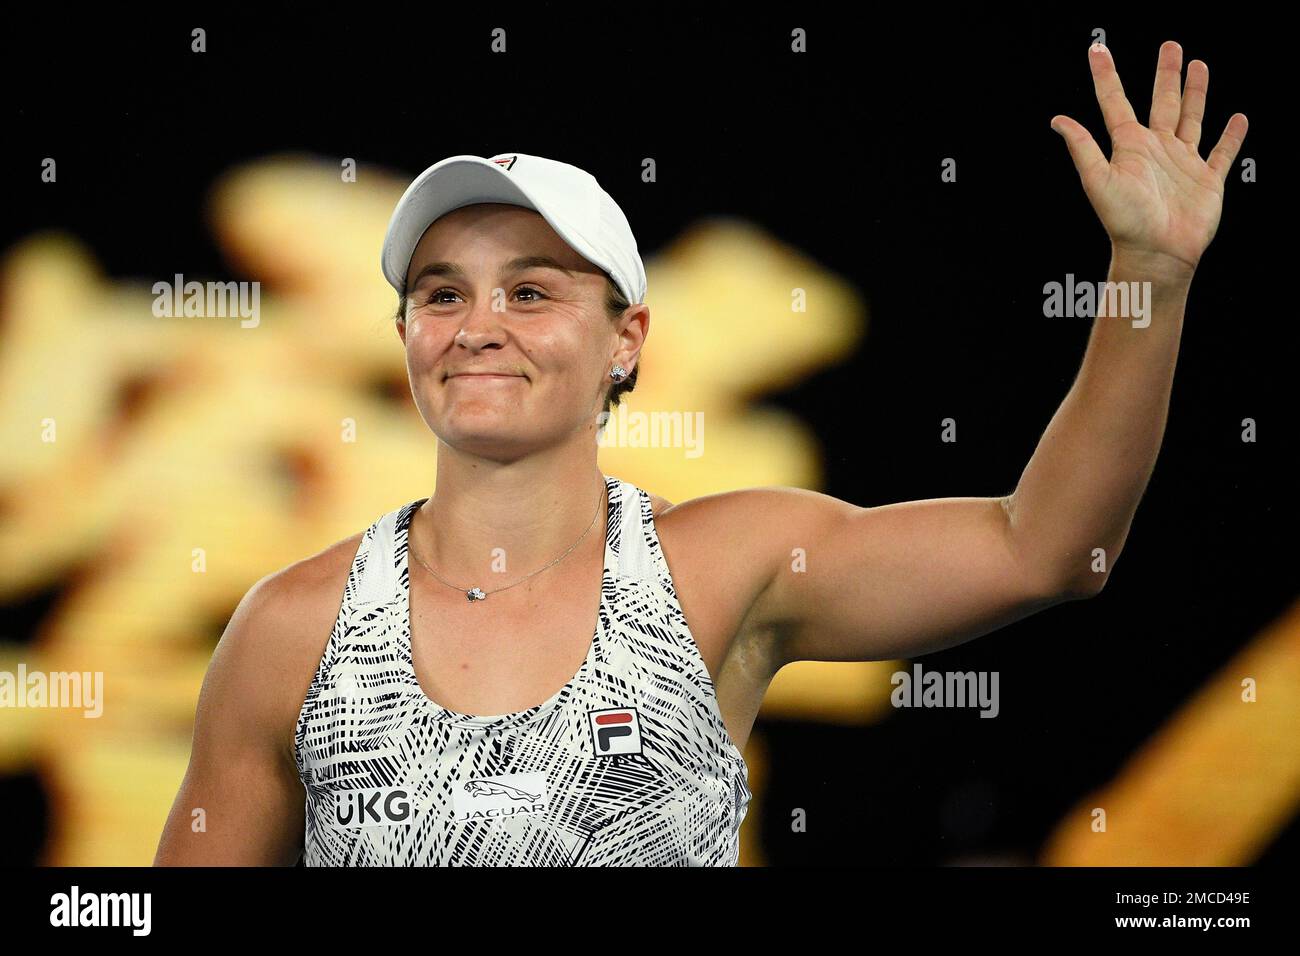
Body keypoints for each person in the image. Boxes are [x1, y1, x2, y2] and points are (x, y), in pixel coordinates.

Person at [154, 39, 1246, 865]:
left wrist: (1147, 273)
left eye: (530, 291)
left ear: (626, 341)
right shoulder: (290, 625)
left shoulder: (725, 565)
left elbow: (1048, 548)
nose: (477, 323)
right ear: (406, 338)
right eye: (442, 295)